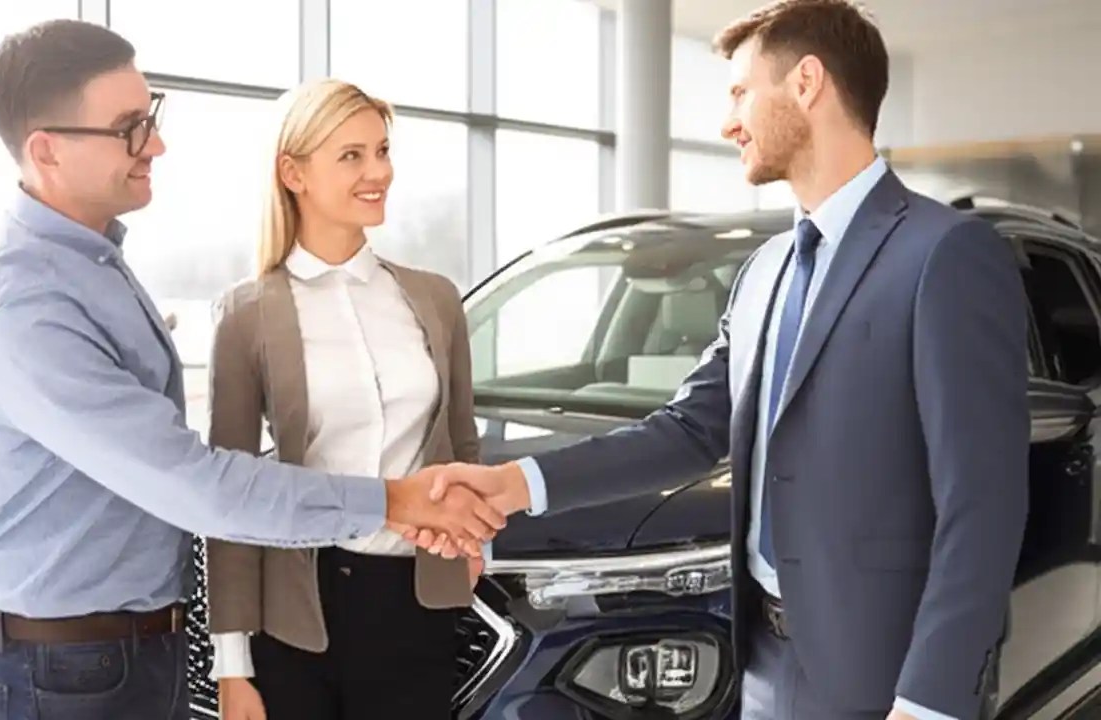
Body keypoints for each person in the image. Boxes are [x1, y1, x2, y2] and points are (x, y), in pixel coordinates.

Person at [422, 1, 1029, 719]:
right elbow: (687, 432)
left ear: (807, 82)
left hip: (883, 676)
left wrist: (928, 701)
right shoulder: (767, 269)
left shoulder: (945, 254)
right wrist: (512, 483)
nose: (728, 122)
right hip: (763, 664)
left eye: (741, 92)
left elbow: (983, 506)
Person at [0, 20, 501, 720]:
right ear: (46, 150)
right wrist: (394, 500)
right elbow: (201, 485)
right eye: (128, 128)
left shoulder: (94, 268)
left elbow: (460, 437)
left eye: (150, 118)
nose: (155, 143)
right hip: (70, 671)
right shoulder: (29, 304)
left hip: (130, 653)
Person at [205, 78, 484, 720]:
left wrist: (474, 545)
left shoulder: (435, 299)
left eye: (382, 151)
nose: (378, 172)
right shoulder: (247, 314)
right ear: (292, 172)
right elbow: (229, 495)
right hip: (301, 607)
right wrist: (232, 665)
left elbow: (463, 443)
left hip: (417, 598)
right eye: (351, 155)